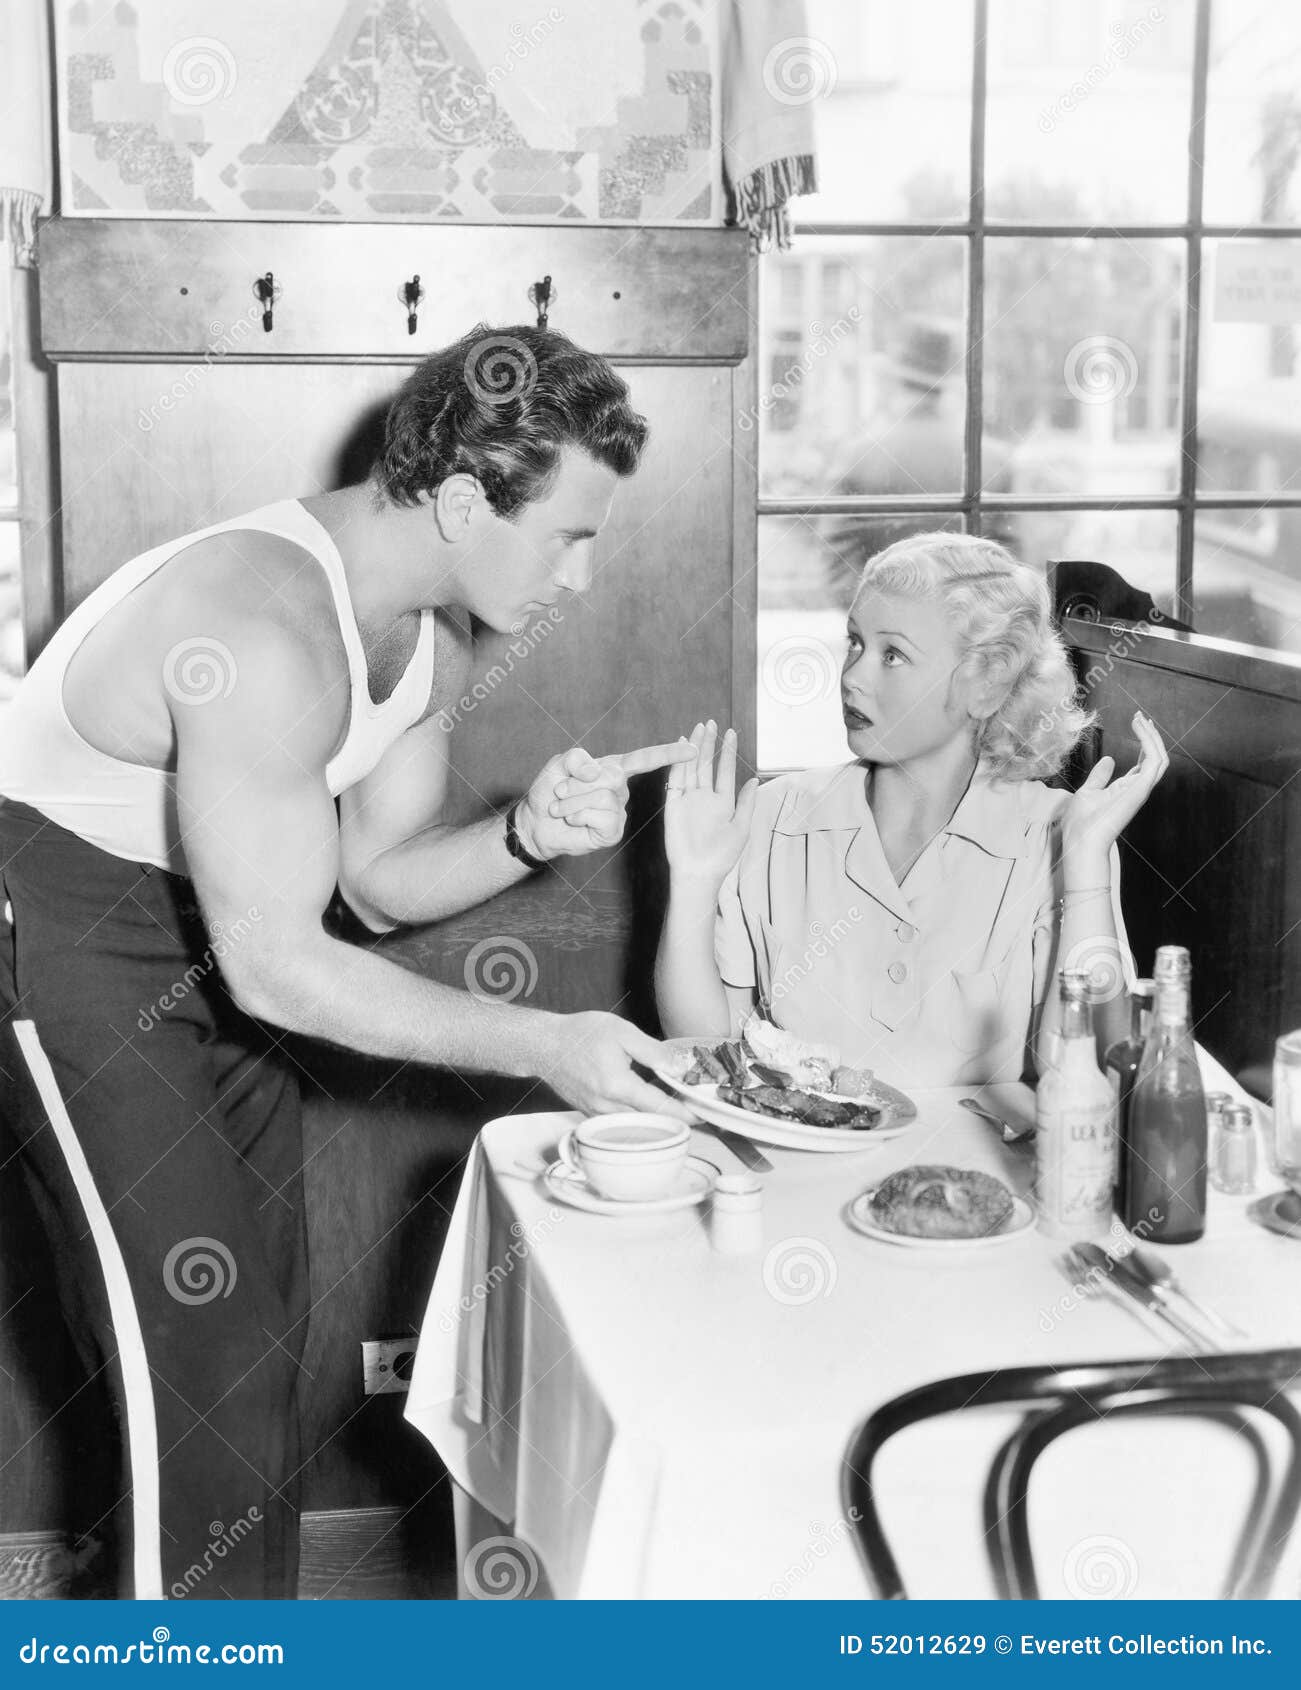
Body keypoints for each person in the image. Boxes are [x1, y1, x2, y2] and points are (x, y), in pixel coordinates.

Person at [0, 322, 694, 1599]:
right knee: (194, 1368)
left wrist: (525, 835)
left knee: (254, 1339)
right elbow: (278, 967)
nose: (581, 579)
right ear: (462, 499)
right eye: (568, 537)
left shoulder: (421, 634)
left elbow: (370, 887)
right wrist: (547, 1042)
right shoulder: (257, 622)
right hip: (65, 936)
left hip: (222, 935)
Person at [655, 532, 1169, 1087]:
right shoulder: (776, 818)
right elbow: (707, 1053)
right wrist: (694, 881)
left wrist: (1087, 866)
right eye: (854, 643)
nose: (852, 676)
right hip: (801, 1171)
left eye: (892, 654)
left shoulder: (1061, 835)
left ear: (987, 683)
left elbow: (1094, 1071)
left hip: (974, 1176)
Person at [821, 316, 1016, 597]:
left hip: (883, 628)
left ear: (895, 380)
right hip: (968, 632)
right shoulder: (993, 460)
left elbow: (839, 569)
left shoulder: (858, 457)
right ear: (947, 384)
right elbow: (1010, 572)